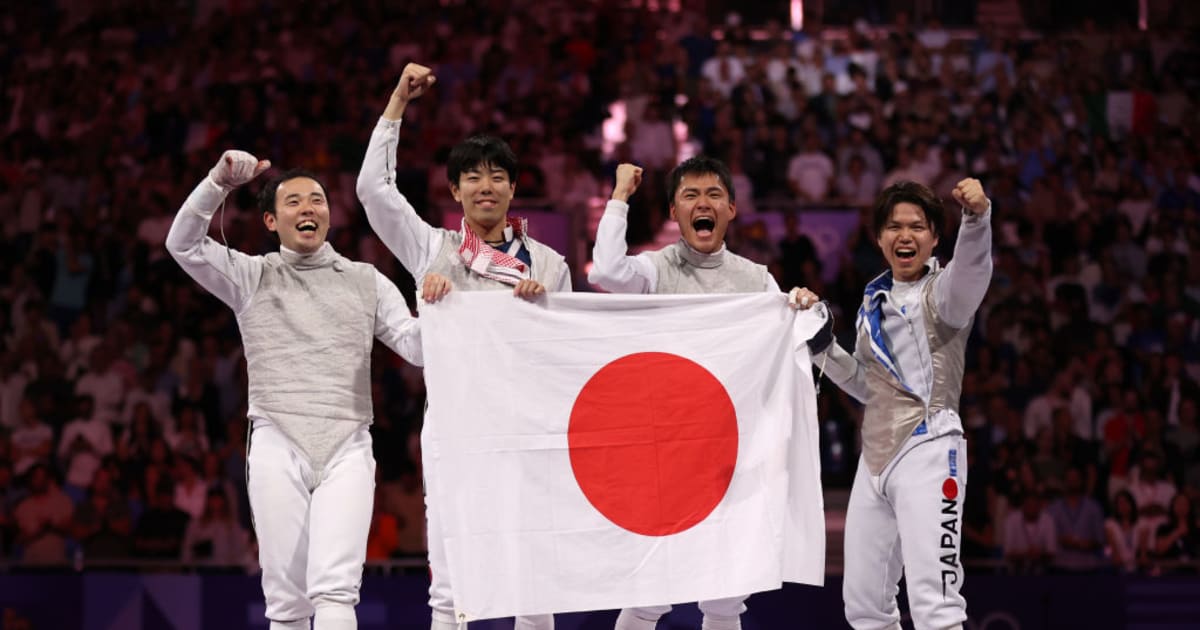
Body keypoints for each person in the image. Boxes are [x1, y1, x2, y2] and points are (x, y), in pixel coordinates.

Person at [167, 150, 424, 630]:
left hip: (347, 443)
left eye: (318, 200)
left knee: (336, 592)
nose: (309, 208)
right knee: (286, 603)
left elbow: (416, 347)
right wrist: (216, 183)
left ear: (329, 214)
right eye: (294, 202)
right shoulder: (251, 276)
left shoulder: (366, 281)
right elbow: (182, 244)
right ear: (270, 219)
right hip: (276, 438)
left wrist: (441, 309)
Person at [356, 63, 569, 630]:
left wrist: (543, 311)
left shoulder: (550, 264)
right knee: (450, 587)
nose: (486, 186)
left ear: (513, 188)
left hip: (528, 429)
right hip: (456, 429)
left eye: (497, 175)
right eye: (472, 177)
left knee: (532, 583)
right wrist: (398, 98)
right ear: (454, 191)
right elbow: (372, 192)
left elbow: (568, 356)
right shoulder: (435, 249)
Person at [791, 179, 992, 629]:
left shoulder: (945, 295)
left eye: (918, 227)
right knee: (864, 608)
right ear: (879, 236)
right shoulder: (872, 301)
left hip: (930, 450)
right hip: (875, 460)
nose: (906, 236)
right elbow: (869, 386)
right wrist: (821, 343)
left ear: (935, 237)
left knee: (935, 606)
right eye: (895, 227)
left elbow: (974, 270)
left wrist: (978, 218)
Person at [588, 157, 776, 630]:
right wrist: (619, 198)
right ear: (674, 211)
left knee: (725, 597)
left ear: (731, 208)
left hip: (730, 456)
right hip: (666, 458)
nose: (703, 204)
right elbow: (606, 272)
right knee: (649, 593)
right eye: (690, 196)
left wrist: (804, 310)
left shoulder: (757, 282)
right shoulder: (656, 270)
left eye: (713, 194)